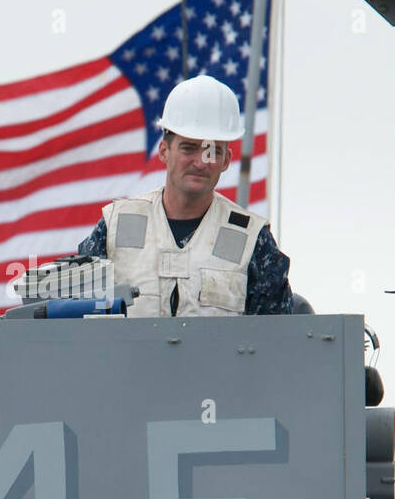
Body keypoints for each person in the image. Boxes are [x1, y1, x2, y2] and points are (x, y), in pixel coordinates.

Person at [76, 75, 293, 317]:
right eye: (188, 148)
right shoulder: (115, 227)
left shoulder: (252, 240)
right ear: (164, 151)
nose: (200, 162)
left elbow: (275, 341)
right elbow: (79, 326)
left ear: (226, 160)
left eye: (212, 150)